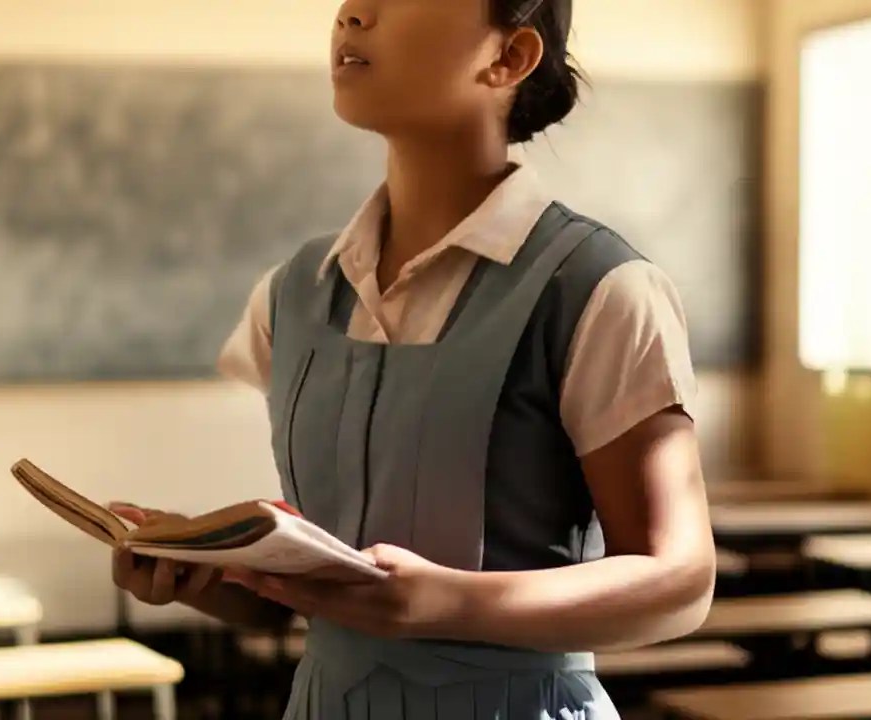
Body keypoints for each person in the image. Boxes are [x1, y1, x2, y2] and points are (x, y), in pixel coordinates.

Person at [111, 0, 716, 716]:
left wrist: (448, 602)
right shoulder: (294, 293)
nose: (352, 13)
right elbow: (322, 608)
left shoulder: (599, 289)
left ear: (510, 58)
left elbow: (680, 582)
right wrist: (216, 576)